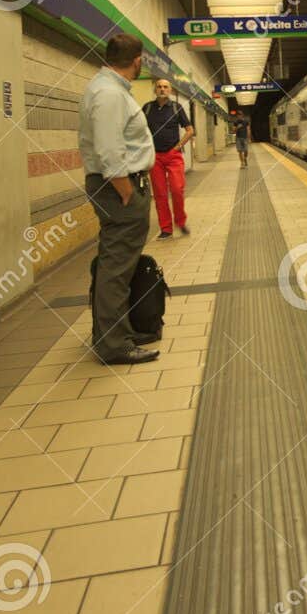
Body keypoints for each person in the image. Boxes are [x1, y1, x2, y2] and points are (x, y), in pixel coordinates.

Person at [78, 33, 159, 365]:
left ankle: (115, 332)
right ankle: (114, 345)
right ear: (137, 60)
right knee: (116, 268)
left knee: (117, 264)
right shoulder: (110, 94)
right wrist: (127, 191)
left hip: (118, 187)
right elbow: (110, 152)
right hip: (119, 190)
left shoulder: (105, 88)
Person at [142, 78, 195, 240]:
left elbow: (190, 130)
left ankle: (180, 221)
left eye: (165, 87)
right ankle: (166, 228)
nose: (162, 89)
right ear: (155, 90)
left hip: (173, 156)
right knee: (160, 194)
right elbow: (139, 129)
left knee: (177, 190)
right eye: (159, 87)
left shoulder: (176, 108)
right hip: (155, 157)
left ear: (170, 90)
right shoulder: (147, 108)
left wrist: (177, 147)